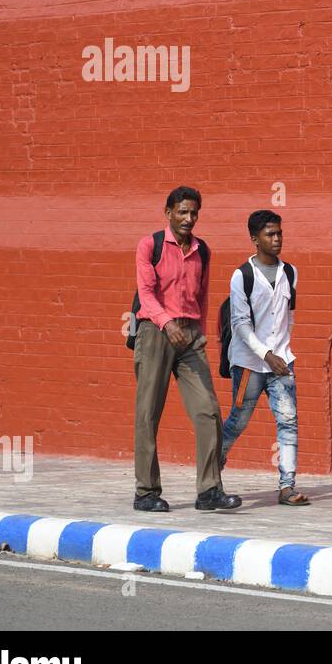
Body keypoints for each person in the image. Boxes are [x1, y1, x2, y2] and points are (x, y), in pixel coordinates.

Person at [132, 186, 241, 512]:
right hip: (155, 332)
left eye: (193, 213)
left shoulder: (201, 250)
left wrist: (202, 333)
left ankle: (209, 490)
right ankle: (146, 492)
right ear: (168, 213)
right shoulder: (150, 245)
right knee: (148, 414)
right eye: (182, 212)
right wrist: (167, 324)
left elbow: (202, 296)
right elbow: (146, 294)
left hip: (190, 336)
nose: (188, 218)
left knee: (208, 410)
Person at [220, 210, 309, 505]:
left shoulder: (290, 273)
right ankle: (211, 470)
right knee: (238, 421)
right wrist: (266, 354)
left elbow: (289, 316)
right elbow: (240, 324)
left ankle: (287, 486)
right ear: (254, 239)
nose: (277, 239)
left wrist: (280, 352)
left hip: (282, 360)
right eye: (270, 234)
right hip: (249, 363)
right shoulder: (242, 276)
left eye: (279, 233)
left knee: (289, 421)